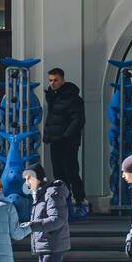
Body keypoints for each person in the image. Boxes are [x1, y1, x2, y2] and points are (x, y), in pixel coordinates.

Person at [43, 67, 87, 208]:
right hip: (56, 140)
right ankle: (65, 200)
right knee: (59, 172)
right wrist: (48, 135)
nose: (52, 83)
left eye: (56, 80)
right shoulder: (52, 96)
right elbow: (52, 119)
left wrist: (65, 136)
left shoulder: (73, 98)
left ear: (63, 80)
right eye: (50, 80)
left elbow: (78, 120)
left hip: (68, 142)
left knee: (71, 171)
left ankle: (79, 199)